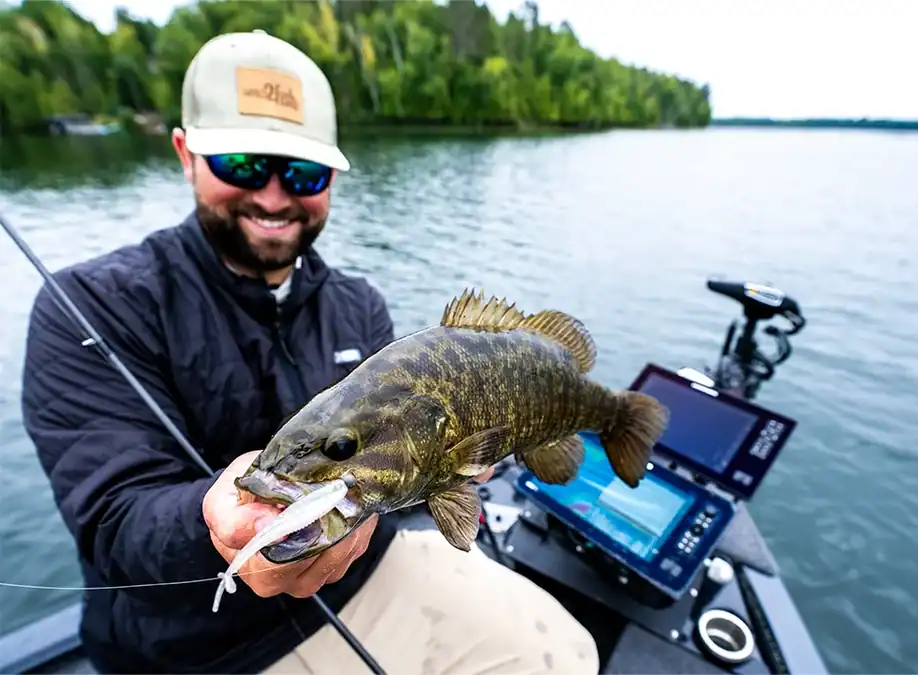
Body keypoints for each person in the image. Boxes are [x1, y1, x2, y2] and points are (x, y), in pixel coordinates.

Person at [21, 29, 598, 675]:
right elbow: (113, 518)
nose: (273, 195)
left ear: (330, 176)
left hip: (362, 574)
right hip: (201, 646)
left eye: (302, 171)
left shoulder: (359, 305)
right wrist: (210, 521)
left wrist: (459, 463)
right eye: (242, 163)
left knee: (565, 651)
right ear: (185, 153)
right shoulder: (91, 305)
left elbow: (403, 471)